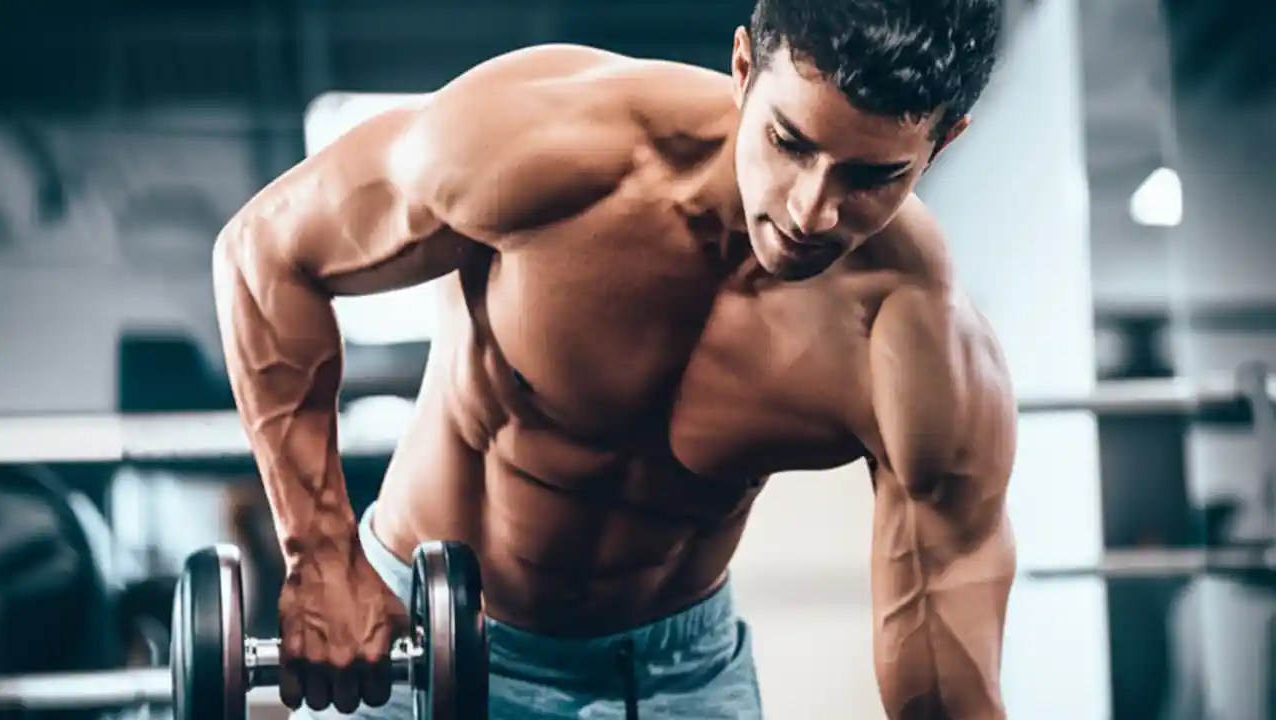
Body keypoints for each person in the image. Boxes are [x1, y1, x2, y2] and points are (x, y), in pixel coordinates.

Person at [211, 0, 1017, 717]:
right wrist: (321, 556)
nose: (810, 209)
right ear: (743, 69)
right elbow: (266, 254)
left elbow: (944, 685)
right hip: (419, 644)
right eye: (788, 141)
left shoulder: (916, 337)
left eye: (872, 177)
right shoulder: (550, 146)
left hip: (675, 680)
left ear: (943, 141)